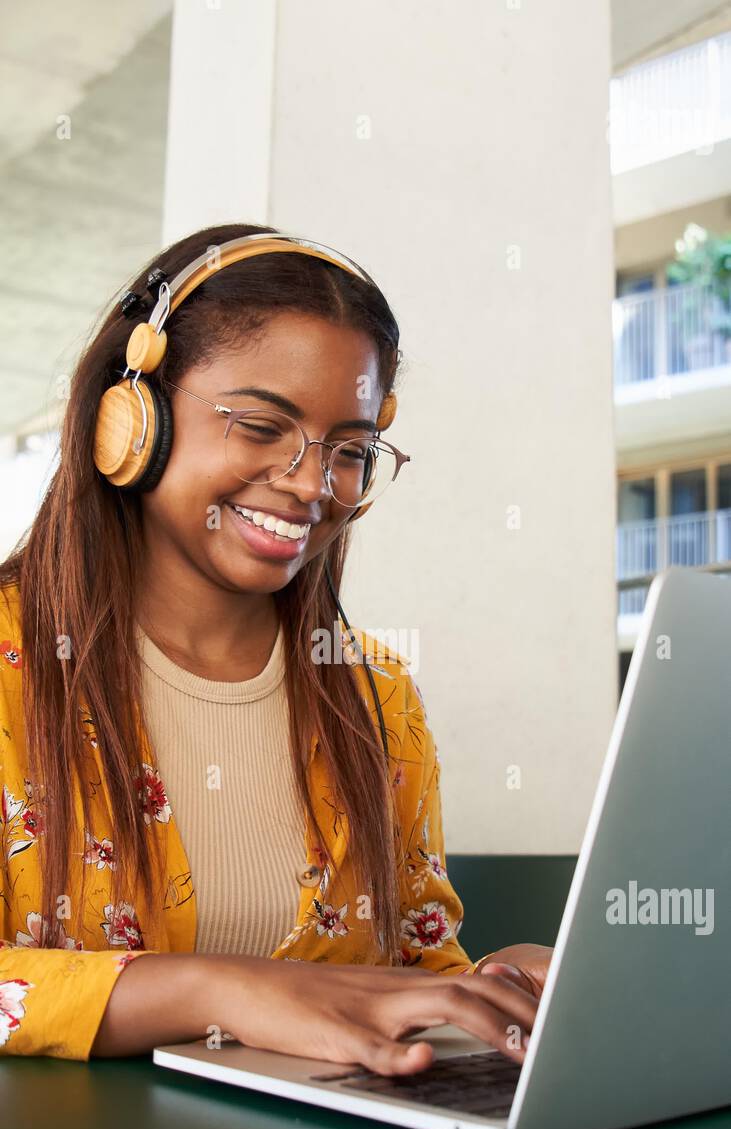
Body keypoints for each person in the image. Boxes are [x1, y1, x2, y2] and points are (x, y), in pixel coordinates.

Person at [0, 220, 551, 1073]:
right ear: (129, 416)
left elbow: (403, 974)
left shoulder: (375, 697)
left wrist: (491, 988)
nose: (310, 483)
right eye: (261, 426)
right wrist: (217, 991)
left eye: (350, 450)